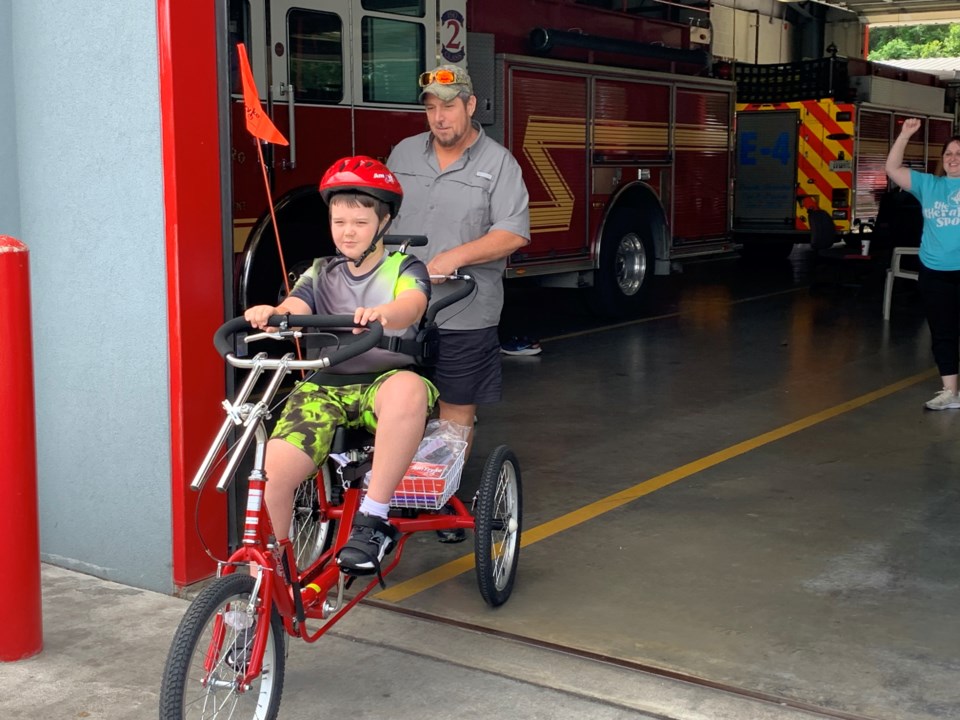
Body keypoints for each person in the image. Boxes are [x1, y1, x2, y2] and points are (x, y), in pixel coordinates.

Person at [244, 156, 436, 575]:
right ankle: (275, 565)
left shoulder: (404, 267)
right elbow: (297, 303)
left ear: (383, 224)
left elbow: (412, 303)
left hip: (382, 382)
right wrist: (274, 312)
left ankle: (373, 519)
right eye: (339, 222)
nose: (348, 232)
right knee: (271, 473)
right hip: (325, 386)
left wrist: (384, 313)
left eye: (360, 222)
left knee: (410, 388)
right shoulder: (319, 271)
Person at [386, 63, 531, 447]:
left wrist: (454, 257)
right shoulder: (402, 154)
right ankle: (396, 491)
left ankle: (440, 496)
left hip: (464, 311)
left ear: (471, 106)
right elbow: (378, 217)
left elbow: (512, 233)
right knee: (397, 401)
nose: (439, 117)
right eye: (431, 108)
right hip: (401, 307)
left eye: (448, 107)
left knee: (456, 408)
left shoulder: (498, 164)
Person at [885, 119, 960, 410]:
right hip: (935, 273)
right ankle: (950, 392)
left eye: (959, 153)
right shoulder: (929, 184)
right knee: (943, 332)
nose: (953, 158)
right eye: (949, 154)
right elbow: (892, 169)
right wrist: (904, 135)